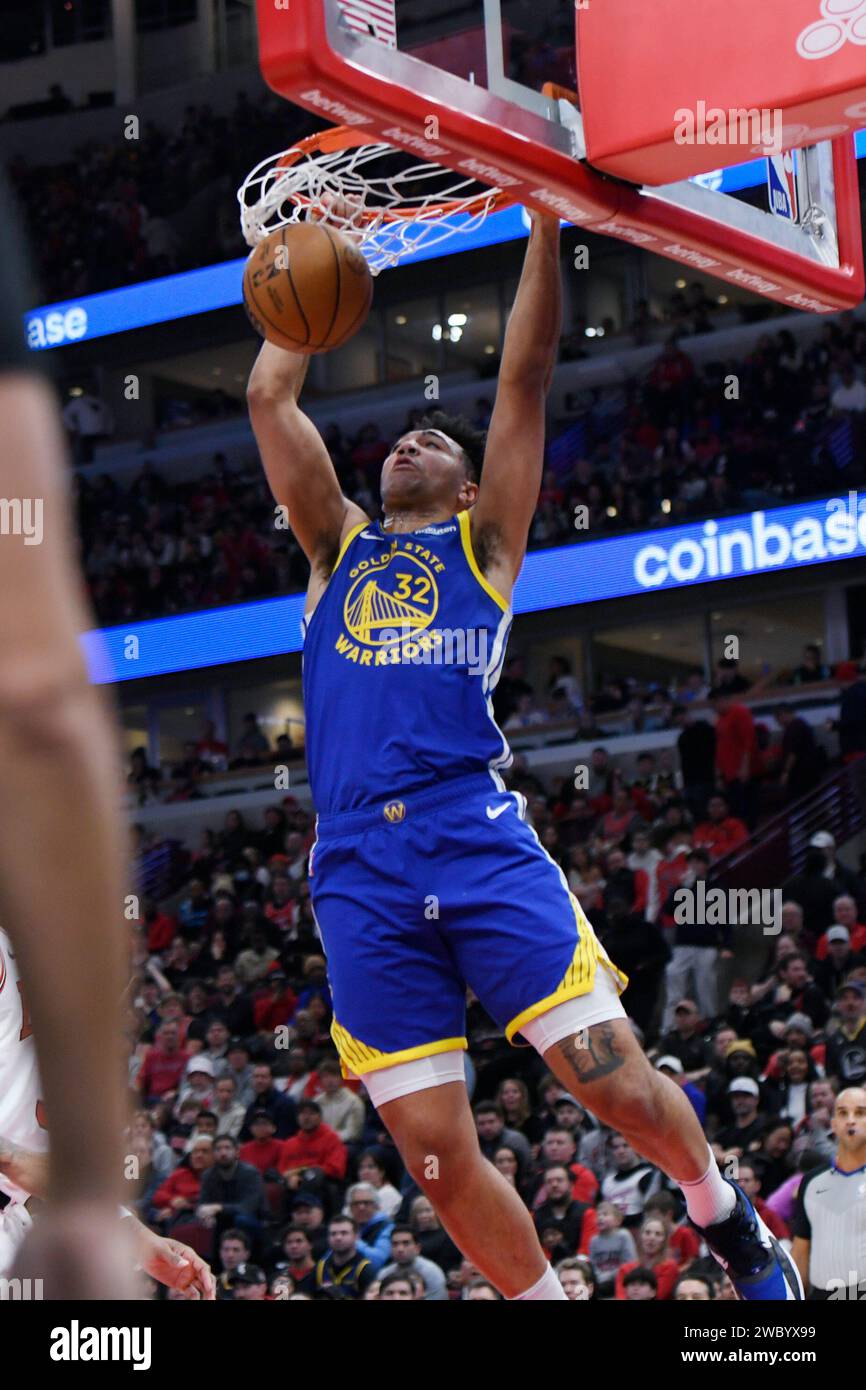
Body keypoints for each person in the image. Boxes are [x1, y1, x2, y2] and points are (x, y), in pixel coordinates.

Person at [247, 202, 800, 1301]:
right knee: (435, 1157)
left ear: (463, 485)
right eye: (398, 436)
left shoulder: (481, 542)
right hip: (356, 862)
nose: (408, 440)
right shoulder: (332, 545)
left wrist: (543, 222)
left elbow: (523, 378)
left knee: (613, 1088)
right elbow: (268, 395)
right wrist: (291, 272)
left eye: (434, 442)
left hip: (467, 831)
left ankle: (723, 1215)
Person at [791, 1088, 866, 1298]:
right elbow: (801, 1251)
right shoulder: (811, 1182)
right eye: (843, 1113)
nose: (851, 1120)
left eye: (860, 1113)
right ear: (833, 1124)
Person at [377, 1225, 448, 1301]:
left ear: (417, 1248)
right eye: (395, 1244)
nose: (400, 1249)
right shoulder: (384, 1274)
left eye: (406, 1243)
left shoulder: (432, 1272)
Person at [315, 1215, 376, 1298]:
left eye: (344, 1233)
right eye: (333, 1234)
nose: (338, 1237)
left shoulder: (365, 1269)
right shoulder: (320, 1267)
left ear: (356, 1236)